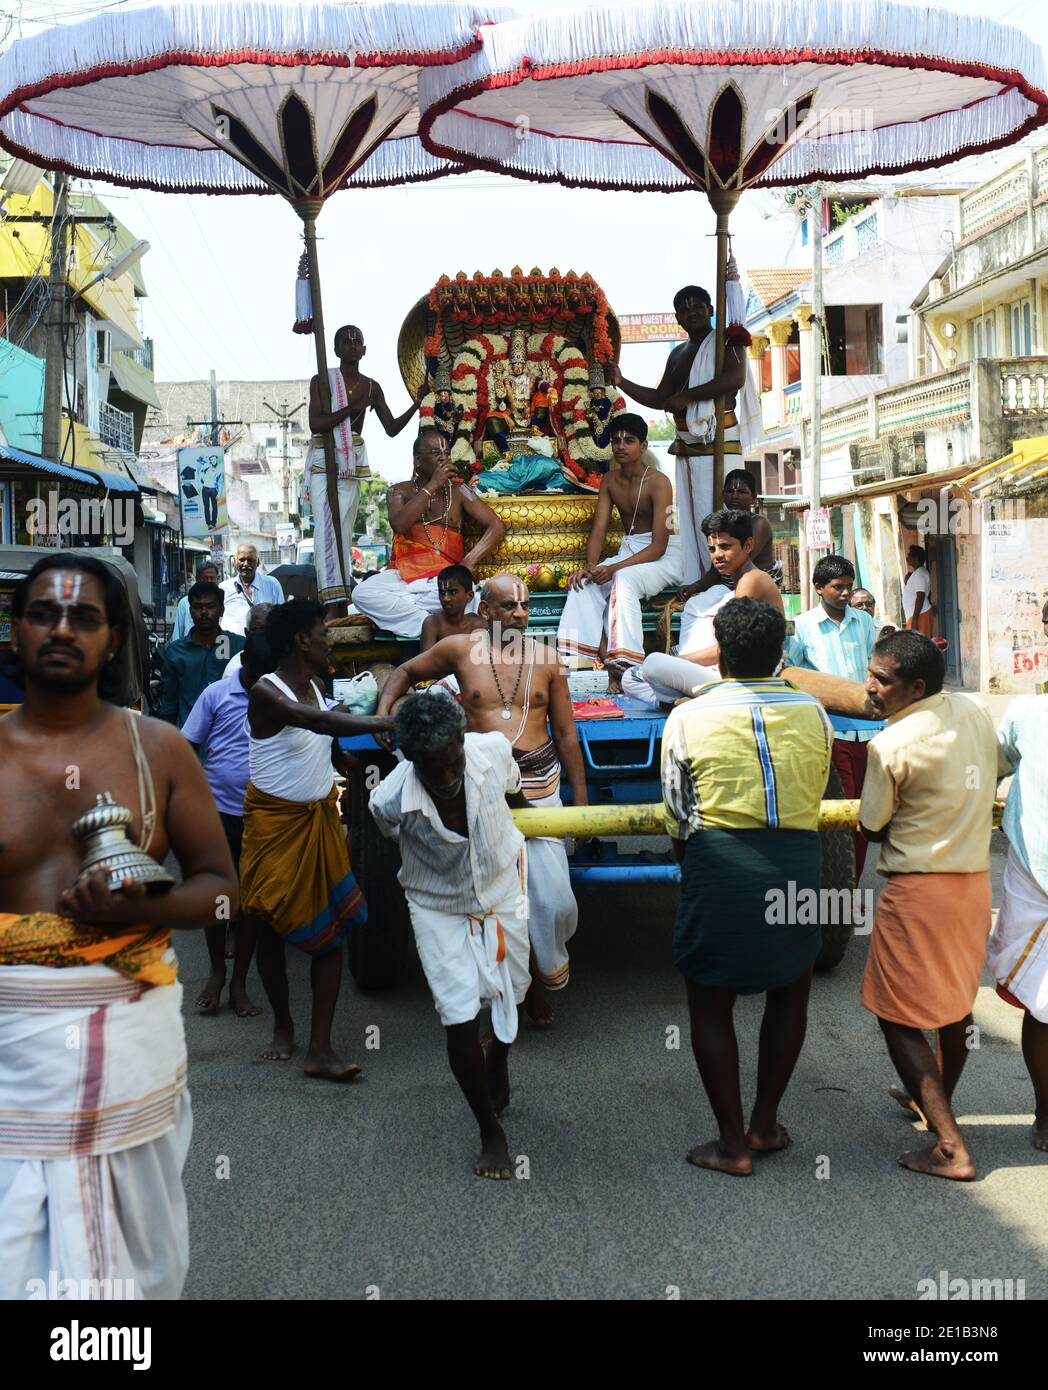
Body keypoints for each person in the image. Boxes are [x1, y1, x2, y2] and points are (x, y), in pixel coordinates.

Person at [0, 554, 237, 1300]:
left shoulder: (158, 748)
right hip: (12, 1048)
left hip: (129, 1038)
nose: (62, 629)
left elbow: (224, 894)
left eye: (85, 617)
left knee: (133, 1258)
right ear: (16, 631)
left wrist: (137, 909)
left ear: (113, 640)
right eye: (44, 613)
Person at [662, 597, 833, 1176]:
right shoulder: (815, 713)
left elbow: (678, 816)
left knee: (711, 1004)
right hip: (798, 863)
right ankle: (764, 1124)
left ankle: (731, 1144)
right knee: (791, 989)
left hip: (720, 861)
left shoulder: (687, 716)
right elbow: (817, 787)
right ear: (781, 653)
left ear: (721, 659)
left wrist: (698, 863)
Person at [377, 574, 587, 1018]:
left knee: (553, 901)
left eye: (525, 607)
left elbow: (567, 733)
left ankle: (539, 972)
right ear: (486, 611)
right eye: (509, 606)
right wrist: (385, 712)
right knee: (498, 894)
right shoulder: (460, 650)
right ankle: (521, 989)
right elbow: (406, 671)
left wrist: (582, 805)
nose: (520, 615)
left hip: (541, 784)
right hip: (486, 787)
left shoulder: (548, 659)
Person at [369, 695, 530, 1180]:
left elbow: (515, 795)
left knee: (514, 990)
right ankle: (489, 1132)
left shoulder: (495, 751)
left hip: (503, 884)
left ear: (463, 743)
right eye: (431, 769)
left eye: (452, 762)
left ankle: (497, 1058)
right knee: (458, 1015)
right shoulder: (390, 799)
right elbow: (389, 834)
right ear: (410, 761)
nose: (445, 778)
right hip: (435, 903)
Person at [859, 631, 998, 1181]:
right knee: (954, 1007)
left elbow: (871, 824)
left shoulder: (889, 746)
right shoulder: (974, 713)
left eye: (882, 680)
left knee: (896, 1018)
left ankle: (949, 1146)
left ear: (915, 687)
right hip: (972, 885)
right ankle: (933, 1099)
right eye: (871, 674)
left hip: (918, 890)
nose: (870, 686)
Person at [240, 601, 393, 1078]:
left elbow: (327, 743)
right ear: (303, 642)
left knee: (332, 936)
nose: (331, 640)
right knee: (269, 924)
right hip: (273, 825)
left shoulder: (319, 686)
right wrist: (387, 722)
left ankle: (319, 1048)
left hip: (319, 821)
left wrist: (350, 763)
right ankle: (283, 1026)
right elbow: (319, 724)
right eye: (323, 633)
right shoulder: (268, 692)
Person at [609, 266, 759, 587]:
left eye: (698, 306)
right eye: (684, 308)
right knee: (692, 525)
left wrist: (688, 396)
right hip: (686, 450)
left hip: (719, 442)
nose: (691, 312)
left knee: (723, 518)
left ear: (711, 310)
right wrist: (622, 382)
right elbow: (662, 398)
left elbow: (735, 378)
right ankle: (697, 583)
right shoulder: (678, 354)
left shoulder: (727, 341)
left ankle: (726, 585)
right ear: (677, 317)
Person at [182, 630, 274, 1019]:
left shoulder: (280, 695)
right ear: (246, 665)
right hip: (218, 811)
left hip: (263, 814)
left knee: (251, 905)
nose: (266, 680)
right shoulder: (216, 694)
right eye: (260, 673)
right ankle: (217, 972)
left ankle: (239, 982)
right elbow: (187, 746)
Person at [556, 414, 680, 692]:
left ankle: (630, 669)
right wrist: (591, 566)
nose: (621, 446)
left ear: (644, 446)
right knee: (582, 585)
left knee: (623, 581)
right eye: (616, 440)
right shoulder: (610, 480)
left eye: (629, 440)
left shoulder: (659, 482)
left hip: (664, 556)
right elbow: (598, 531)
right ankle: (609, 666)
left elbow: (659, 545)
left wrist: (612, 569)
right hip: (630, 551)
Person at [306, 324, 423, 616]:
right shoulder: (322, 380)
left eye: (357, 341)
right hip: (325, 461)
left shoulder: (372, 386)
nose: (352, 345)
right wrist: (354, 407)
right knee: (325, 531)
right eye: (346, 341)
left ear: (364, 350)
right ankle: (330, 600)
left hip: (351, 463)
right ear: (336, 349)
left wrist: (417, 404)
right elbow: (316, 424)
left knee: (343, 531)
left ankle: (340, 597)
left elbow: (392, 428)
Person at [352, 428, 504, 639]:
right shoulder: (398, 491)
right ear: (417, 461)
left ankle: (422, 615)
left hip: (442, 580)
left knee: (471, 600)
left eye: (447, 453)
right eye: (435, 453)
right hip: (404, 577)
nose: (444, 457)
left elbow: (496, 525)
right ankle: (428, 623)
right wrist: (433, 485)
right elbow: (399, 524)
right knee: (362, 593)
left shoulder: (460, 491)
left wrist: (468, 562)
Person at [623, 508, 782, 707]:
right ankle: (681, 702)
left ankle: (685, 702)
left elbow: (728, 651)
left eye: (725, 546)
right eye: (712, 549)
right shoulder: (739, 582)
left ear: (748, 545)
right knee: (630, 677)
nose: (718, 555)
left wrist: (679, 661)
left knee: (652, 663)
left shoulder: (752, 580)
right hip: (724, 675)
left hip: (747, 680)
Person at [787, 555, 879, 877]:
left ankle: (850, 885)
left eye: (848, 587)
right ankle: (840, 885)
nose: (845, 593)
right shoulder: (802, 627)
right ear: (819, 588)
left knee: (866, 814)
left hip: (870, 734)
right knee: (840, 816)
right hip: (831, 734)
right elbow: (793, 672)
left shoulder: (864, 622)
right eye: (837, 587)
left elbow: (872, 666)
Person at [988, 689, 1048, 1152]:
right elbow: (994, 765)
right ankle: (1046, 1112)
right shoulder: (1028, 711)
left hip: (1032, 872)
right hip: (1035, 871)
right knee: (1041, 1001)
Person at [158, 581, 244, 728]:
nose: (204, 612)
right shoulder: (175, 652)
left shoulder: (239, 646)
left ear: (222, 610)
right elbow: (169, 705)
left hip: (229, 740)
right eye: (198, 607)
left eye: (210, 606)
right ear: (190, 611)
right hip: (188, 740)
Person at [220, 544, 284, 637]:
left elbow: (281, 617)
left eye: (250, 560)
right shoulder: (224, 588)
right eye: (241, 560)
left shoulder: (272, 584)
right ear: (234, 562)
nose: (245, 564)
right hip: (231, 647)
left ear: (257, 562)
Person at [420, 565, 485, 653]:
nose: (446, 598)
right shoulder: (433, 623)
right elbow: (424, 663)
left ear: (469, 596)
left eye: (452, 592)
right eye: (442, 592)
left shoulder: (477, 623)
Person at [172, 559, 219, 640]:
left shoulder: (222, 602)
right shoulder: (185, 603)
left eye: (212, 578)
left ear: (217, 579)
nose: (209, 582)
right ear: (197, 579)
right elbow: (177, 635)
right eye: (205, 578)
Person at [903, 544, 933, 636]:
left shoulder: (919, 574)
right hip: (918, 614)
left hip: (920, 615)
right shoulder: (918, 573)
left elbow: (920, 596)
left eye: (910, 555)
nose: (907, 557)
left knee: (920, 646)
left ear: (916, 558)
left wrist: (915, 620)